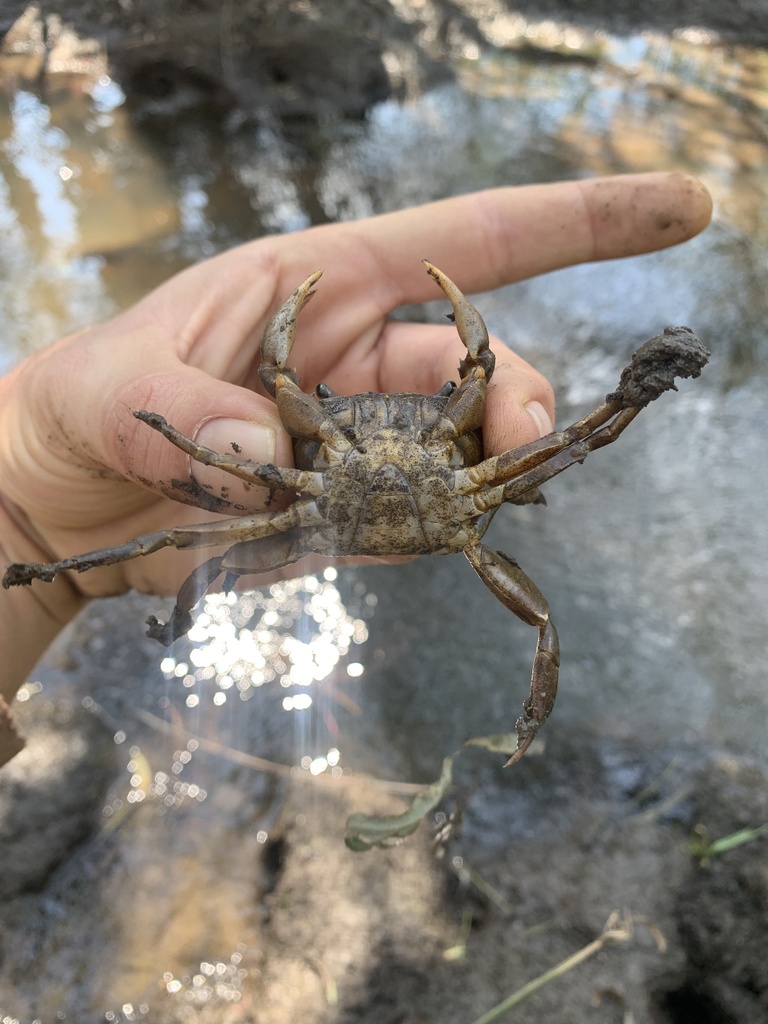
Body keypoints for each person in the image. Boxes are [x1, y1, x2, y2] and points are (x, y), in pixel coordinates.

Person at [0, 172, 712, 767]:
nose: (386, 435)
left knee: (543, 589)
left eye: (438, 411)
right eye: (337, 414)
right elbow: (235, 430)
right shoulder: (325, 461)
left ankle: (529, 724)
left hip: (368, 514)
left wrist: (29, 535)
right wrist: (34, 534)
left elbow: (577, 438)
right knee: (182, 546)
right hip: (384, 513)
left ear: (451, 416)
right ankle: (118, 601)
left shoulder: (413, 459)